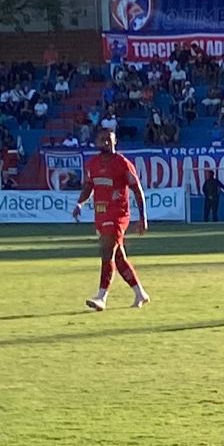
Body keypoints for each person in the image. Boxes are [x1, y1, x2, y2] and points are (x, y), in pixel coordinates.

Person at [72, 127, 149, 311]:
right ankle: (140, 293)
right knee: (119, 258)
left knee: (107, 252)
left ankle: (101, 297)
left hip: (118, 215)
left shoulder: (122, 163)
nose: (105, 142)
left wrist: (143, 217)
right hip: (101, 215)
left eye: (109, 139)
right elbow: (89, 187)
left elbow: (137, 189)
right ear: (96, 142)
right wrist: (79, 203)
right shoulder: (92, 164)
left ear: (115, 142)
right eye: (102, 139)